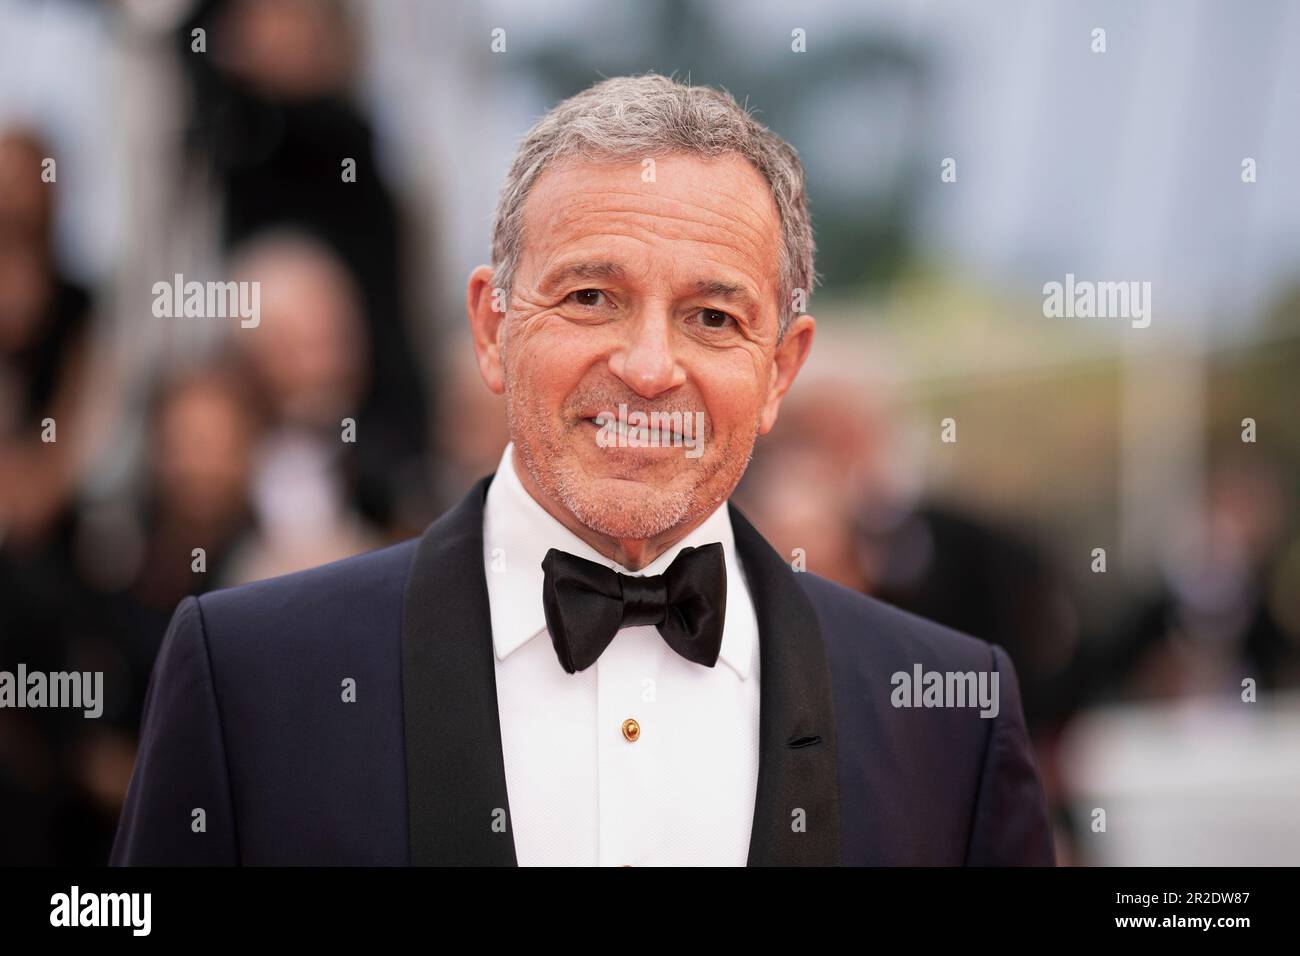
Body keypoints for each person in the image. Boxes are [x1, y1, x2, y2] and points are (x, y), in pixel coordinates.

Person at [110, 74, 1053, 866]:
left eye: (712, 317)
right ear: (492, 329)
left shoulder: (948, 719)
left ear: (780, 372)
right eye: (593, 297)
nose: (648, 367)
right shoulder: (251, 678)